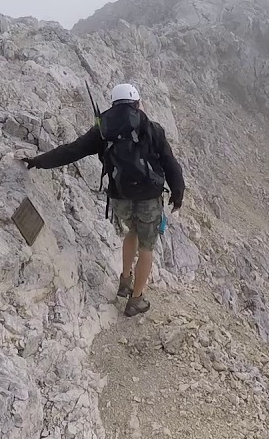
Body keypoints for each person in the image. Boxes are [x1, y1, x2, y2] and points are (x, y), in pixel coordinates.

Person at [22, 83, 185, 317]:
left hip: (120, 197)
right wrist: (177, 193)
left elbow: (72, 151)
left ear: (113, 103)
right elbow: (170, 163)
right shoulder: (151, 128)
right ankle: (136, 300)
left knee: (132, 232)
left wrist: (39, 161)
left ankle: (125, 280)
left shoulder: (103, 130)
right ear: (137, 103)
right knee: (147, 247)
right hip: (149, 197)